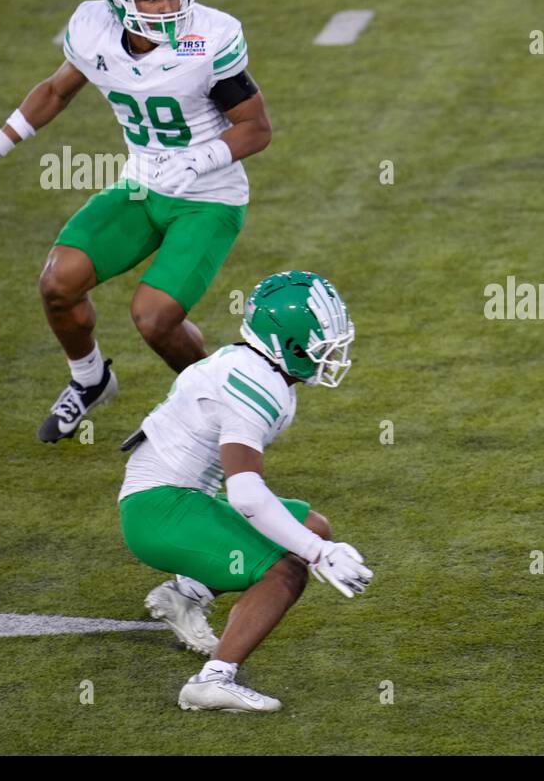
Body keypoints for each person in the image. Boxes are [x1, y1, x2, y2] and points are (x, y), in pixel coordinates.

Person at [0, 0, 272, 443]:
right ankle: (90, 379)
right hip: (142, 185)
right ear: (119, 0)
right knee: (58, 282)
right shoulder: (94, 31)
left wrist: (200, 160)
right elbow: (56, 91)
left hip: (209, 198)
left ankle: (222, 413)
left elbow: (256, 128)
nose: (169, 6)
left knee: (154, 317)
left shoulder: (208, 38)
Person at [117, 271, 372, 711]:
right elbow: (248, 496)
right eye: (321, 343)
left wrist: (313, 539)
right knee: (285, 571)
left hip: (172, 495)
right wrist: (317, 554)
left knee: (313, 525)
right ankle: (212, 681)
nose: (331, 353)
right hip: (158, 510)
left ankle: (183, 595)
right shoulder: (256, 385)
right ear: (288, 344)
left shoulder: (250, 363)